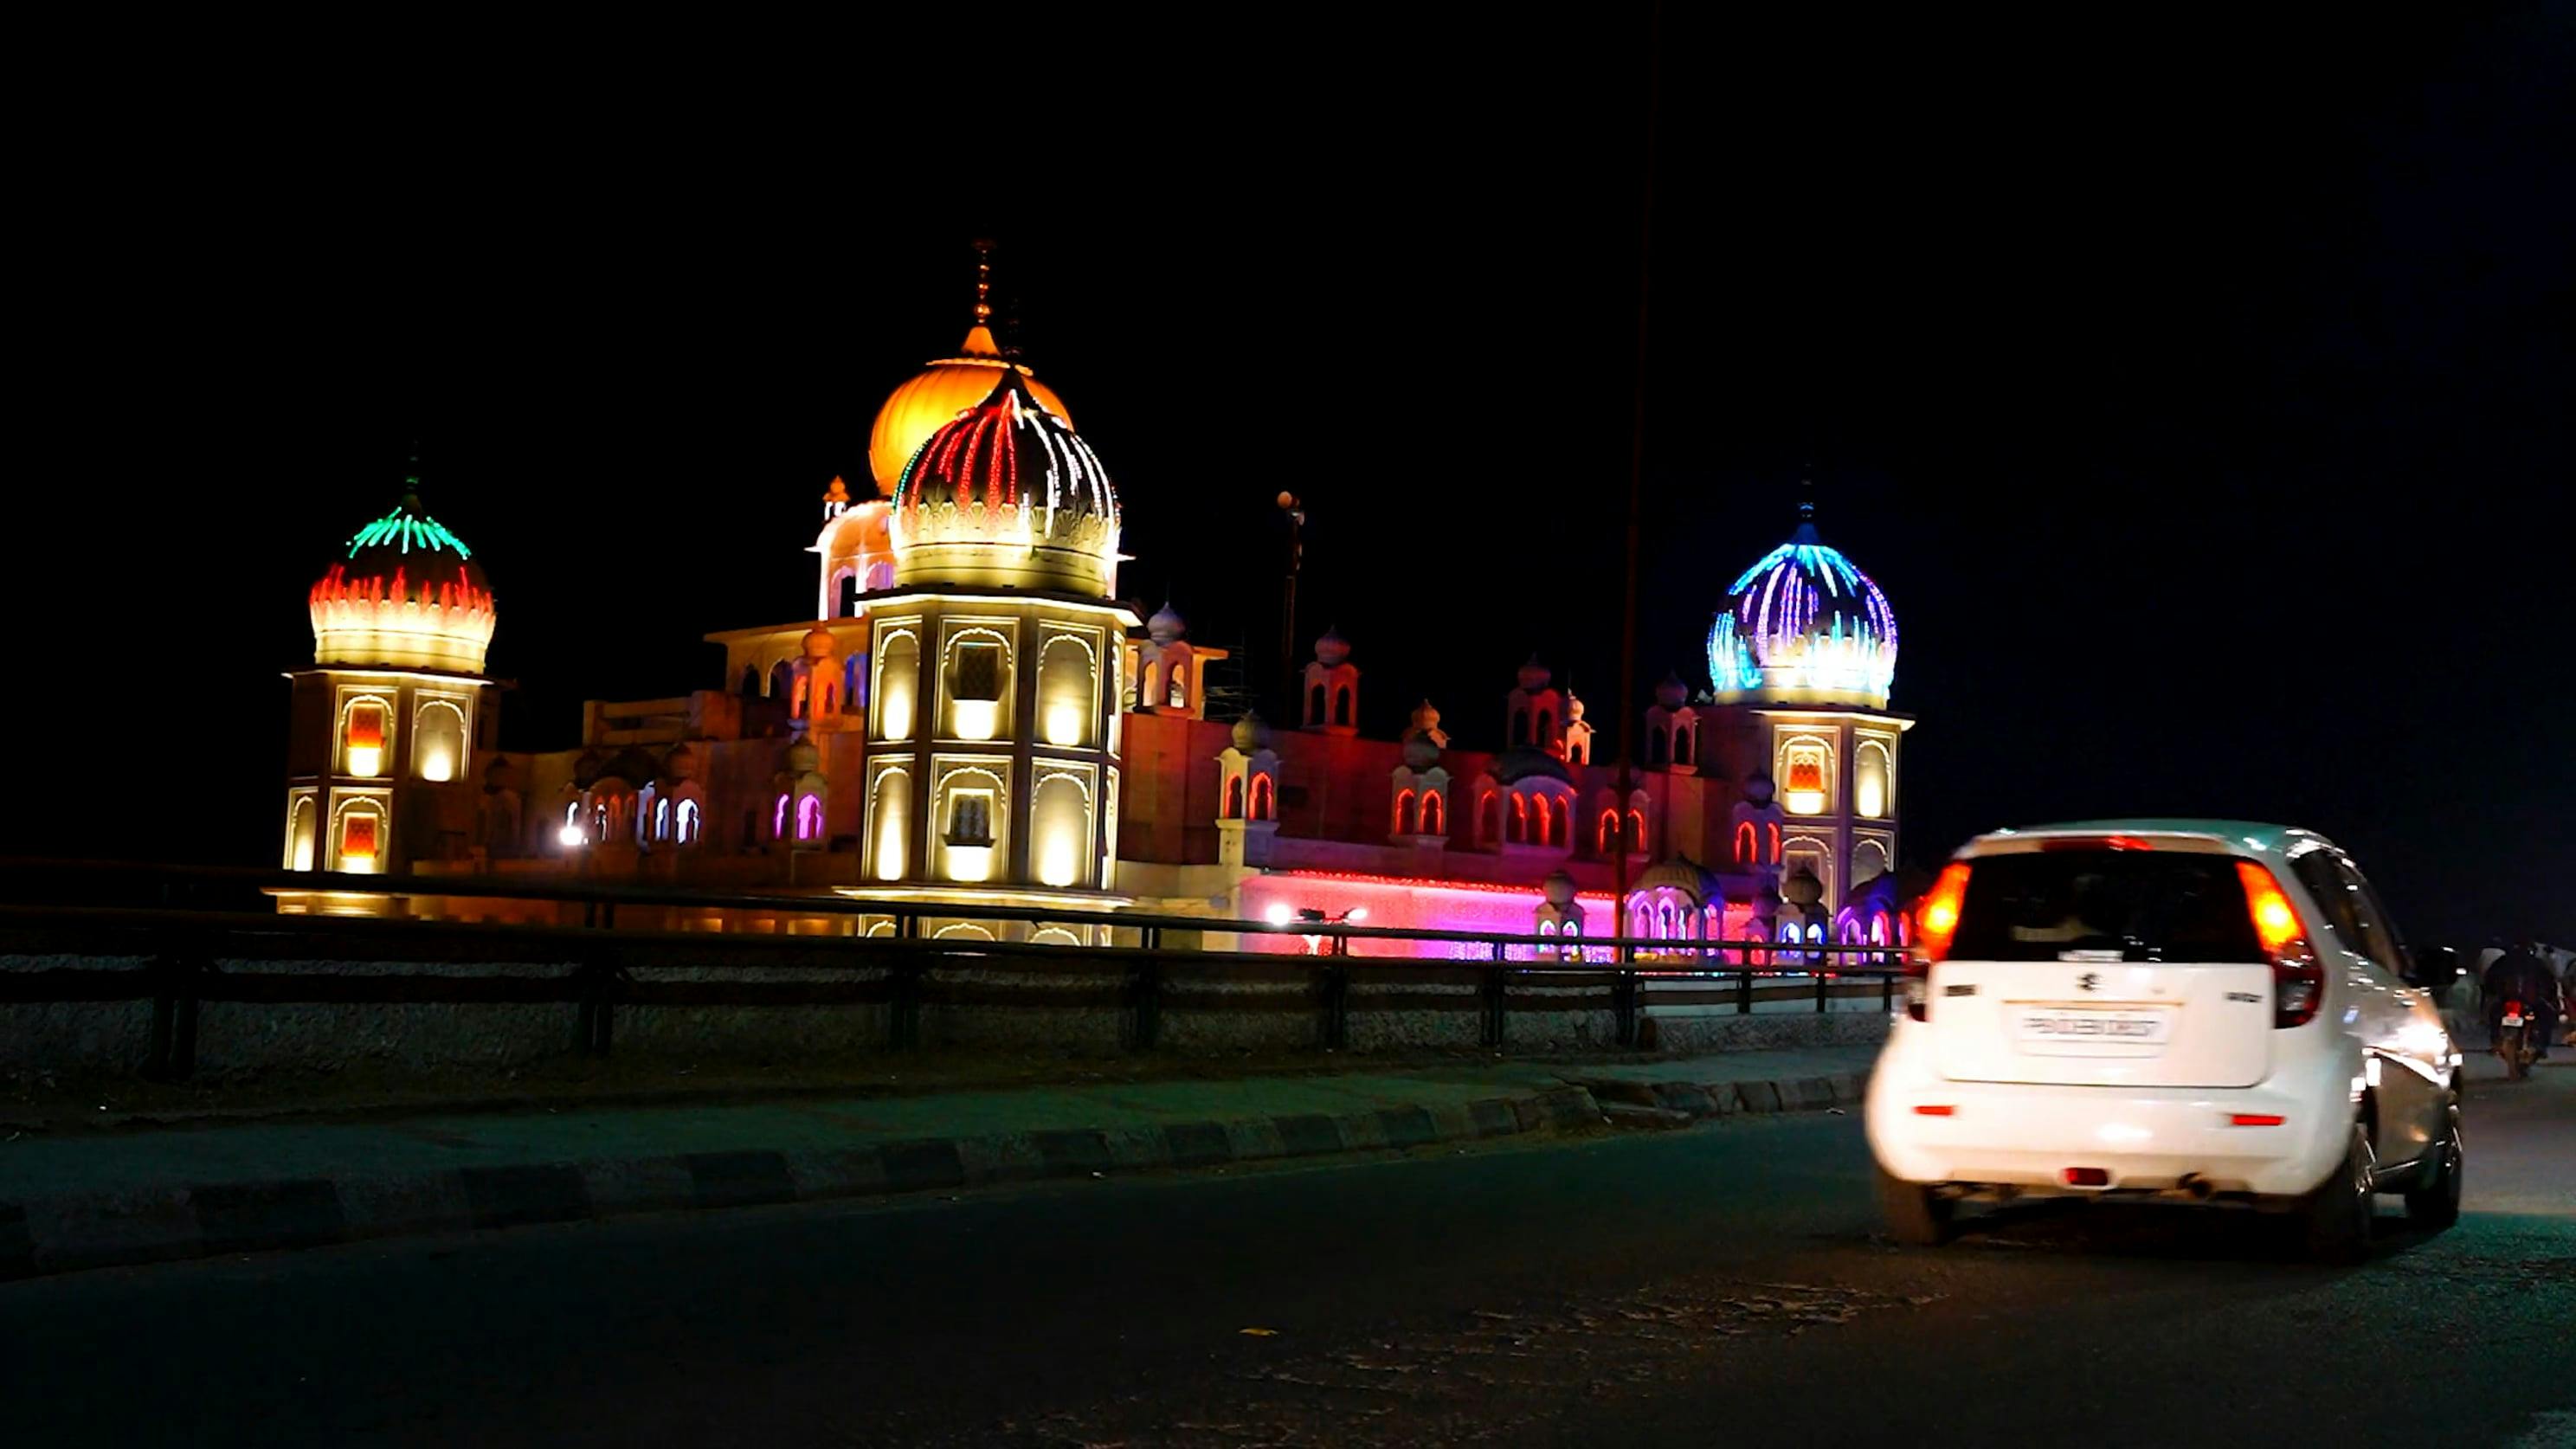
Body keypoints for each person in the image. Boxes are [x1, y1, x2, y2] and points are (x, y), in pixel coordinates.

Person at [2482, 939, 2560, 1061]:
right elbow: (2550, 982)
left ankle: (2495, 1041)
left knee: (2493, 1014)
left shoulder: (2503, 961)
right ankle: (2541, 1045)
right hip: (2530, 1000)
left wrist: (2492, 992)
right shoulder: (2537, 963)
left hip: (2507, 999)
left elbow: (2489, 979)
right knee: (2547, 1015)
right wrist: (2550, 996)